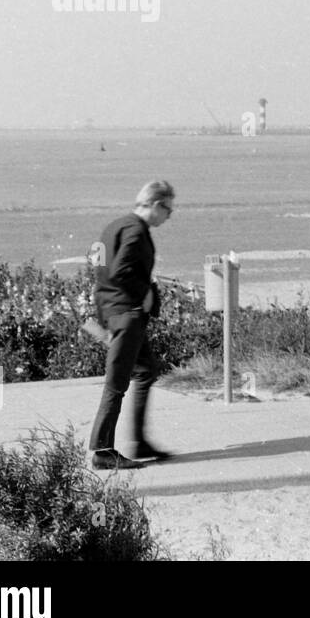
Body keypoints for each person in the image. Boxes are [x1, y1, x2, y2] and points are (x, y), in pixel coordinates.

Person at [88, 180, 177, 469]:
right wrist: (146, 293)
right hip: (127, 313)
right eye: (168, 210)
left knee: (146, 370)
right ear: (155, 204)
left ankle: (138, 442)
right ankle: (103, 451)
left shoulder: (115, 226)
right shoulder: (136, 231)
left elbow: (100, 273)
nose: (168, 216)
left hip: (114, 311)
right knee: (116, 383)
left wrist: (103, 315)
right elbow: (120, 272)